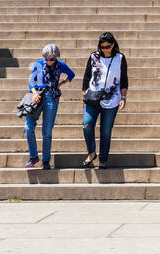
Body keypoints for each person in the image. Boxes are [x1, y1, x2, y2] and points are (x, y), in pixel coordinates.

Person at [81, 32, 128, 169]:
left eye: (108, 46)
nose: (105, 49)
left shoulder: (120, 58)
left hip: (112, 99)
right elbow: (86, 76)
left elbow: (124, 80)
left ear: (113, 44)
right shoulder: (94, 56)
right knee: (87, 124)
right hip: (93, 97)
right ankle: (91, 152)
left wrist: (123, 97)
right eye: (102, 47)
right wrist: (84, 94)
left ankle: (103, 159)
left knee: (106, 131)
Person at [25, 44, 75, 170]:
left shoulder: (61, 65)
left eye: (52, 59)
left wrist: (61, 83)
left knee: (47, 131)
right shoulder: (38, 64)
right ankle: (33, 156)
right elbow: (32, 82)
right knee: (28, 127)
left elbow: (71, 74)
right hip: (37, 96)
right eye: (47, 58)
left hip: (52, 98)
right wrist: (34, 93)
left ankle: (46, 160)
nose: (49, 61)